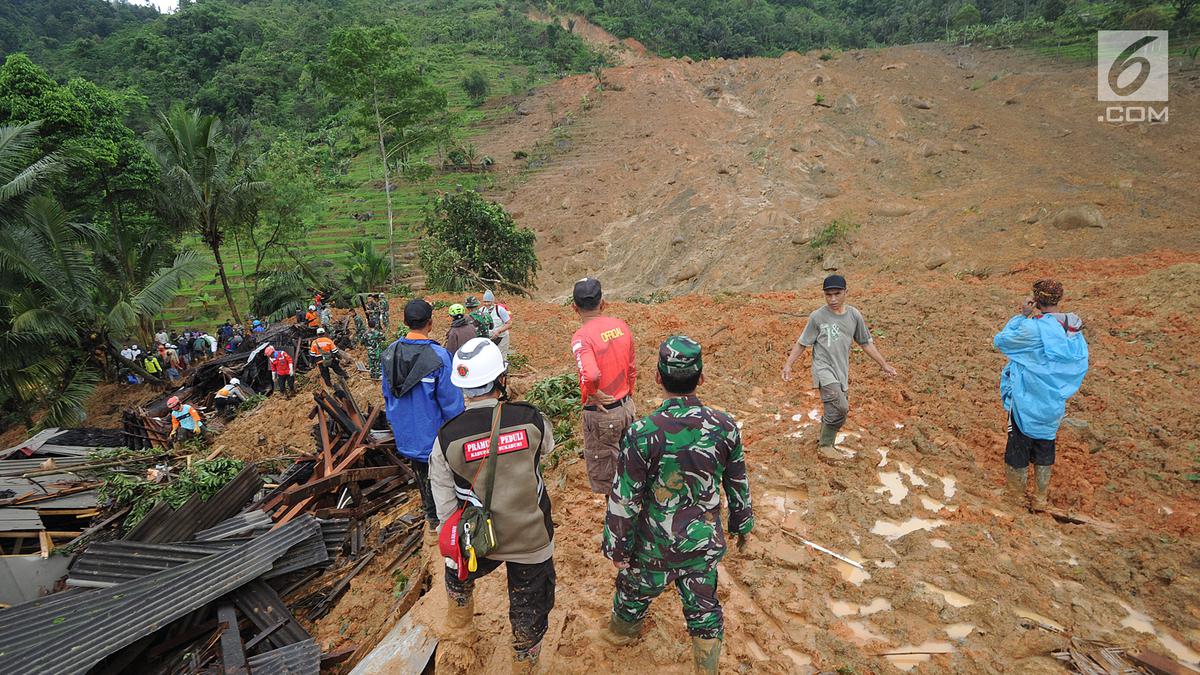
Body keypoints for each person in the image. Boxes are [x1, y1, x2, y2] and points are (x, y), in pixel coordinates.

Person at [598, 336, 753, 674]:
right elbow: (738, 482)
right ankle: (707, 668)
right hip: (701, 545)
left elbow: (625, 498)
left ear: (657, 377)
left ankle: (621, 636)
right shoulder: (724, 426)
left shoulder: (642, 433)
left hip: (651, 547)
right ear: (701, 378)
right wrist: (742, 525)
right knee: (704, 610)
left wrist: (617, 549)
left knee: (631, 596)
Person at [430, 337, 556, 671]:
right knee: (529, 609)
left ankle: (459, 624)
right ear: (501, 378)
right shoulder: (530, 419)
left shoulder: (447, 437)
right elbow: (548, 448)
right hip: (531, 536)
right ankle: (524, 664)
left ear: (462, 387)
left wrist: (451, 534)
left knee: (456, 571)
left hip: (476, 539)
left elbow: (442, 495)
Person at [994, 278, 1089, 508]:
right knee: (1046, 442)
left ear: (1036, 300)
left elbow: (1002, 341)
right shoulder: (1073, 331)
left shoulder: (1032, 329)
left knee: (1018, 444)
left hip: (1026, 399)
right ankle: (1040, 498)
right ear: (1059, 298)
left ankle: (1015, 496)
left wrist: (1021, 316)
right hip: (1053, 401)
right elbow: (1079, 365)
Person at [781, 274, 897, 461]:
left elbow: (865, 342)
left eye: (837, 294)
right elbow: (803, 342)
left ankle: (826, 440)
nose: (833, 299)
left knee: (839, 411)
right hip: (823, 369)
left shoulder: (854, 315)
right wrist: (788, 365)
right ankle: (825, 446)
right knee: (840, 406)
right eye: (828, 295)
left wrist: (884, 364)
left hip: (841, 371)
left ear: (846, 292)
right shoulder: (817, 317)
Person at [381, 299, 465, 536]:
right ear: (430, 323)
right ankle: (442, 522)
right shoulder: (439, 357)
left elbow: (387, 394)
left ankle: (431, 518)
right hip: (434, 436)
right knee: (442, 479)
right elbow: (451, 403)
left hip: (407, 433)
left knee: (421, 472)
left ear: (405, 322)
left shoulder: (389, 354)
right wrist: (459, 430)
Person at [570, 277, 637, 494]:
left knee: (611, 482)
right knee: (631, 471)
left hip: (603, 415)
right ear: (603, 302)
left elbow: (590, 374)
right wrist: (627, 396)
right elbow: (631, 368)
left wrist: (592, 392)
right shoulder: (621, 326)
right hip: (626, 407)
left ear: (574, 307)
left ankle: (616, 516)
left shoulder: (581, 338)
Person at [482, 290, 513, 360]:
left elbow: (509, 323)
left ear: (493, 301)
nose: (486, 304)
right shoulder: (482, 310)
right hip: (489, 339)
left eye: (488, 301)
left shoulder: (500, 310)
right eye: (485, 302)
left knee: (501, 357)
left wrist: (499, 331)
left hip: (502, 337)